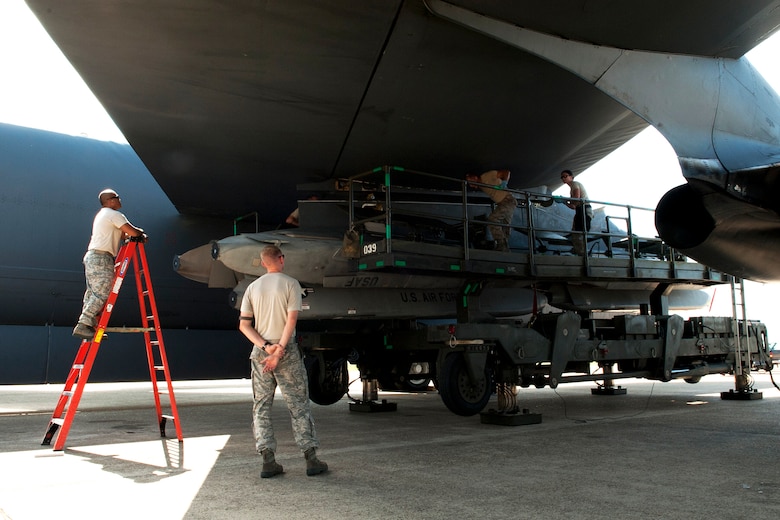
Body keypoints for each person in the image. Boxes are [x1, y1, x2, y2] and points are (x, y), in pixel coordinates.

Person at [238, 244, 328, 478]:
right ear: (281, 259)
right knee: (298, 406)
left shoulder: (252, 288)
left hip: (260, 355)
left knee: (261, 408)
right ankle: (311, 459)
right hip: (285, 352)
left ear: (263, 262)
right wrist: (278, 352)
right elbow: (291, 321)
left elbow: (244, 325)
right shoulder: (291, 284)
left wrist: (266, 348)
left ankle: (268, 461)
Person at [73, 189, 146, 340]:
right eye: (117, 197)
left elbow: (123, 234)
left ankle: (88, 325)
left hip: (93, 256)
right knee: (102, 291)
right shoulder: (114, 215)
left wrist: (133, 234)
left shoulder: (102, 215)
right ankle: (83, 323)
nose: (120, 200)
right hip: (101, 257)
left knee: (93, 292)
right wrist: (141, 234)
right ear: (110, 201)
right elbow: (131, 232)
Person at [465, 169, 516, 251]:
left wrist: (504, 182)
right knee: (505, 227)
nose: (471, 185)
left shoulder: (487, 175)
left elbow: (506, 172)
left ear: (475, 177)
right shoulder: (482, 185)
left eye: (470, 182)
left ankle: (501, 245)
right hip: (505, 203)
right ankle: (504, 250)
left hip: (507, 200)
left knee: (493, 220)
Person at [560, 169, 593, 255]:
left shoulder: (575, 184)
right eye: (562, 177)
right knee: (576, 232)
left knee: (579, 233)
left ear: (571, 177)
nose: (564, 178)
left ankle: (583, 254)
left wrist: (565, 200)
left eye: (565, 176)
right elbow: (573, 206)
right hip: (580, 210)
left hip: (584, 210)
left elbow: (576, 199)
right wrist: (565, 202)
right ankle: (580, 253)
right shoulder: (571, 189)